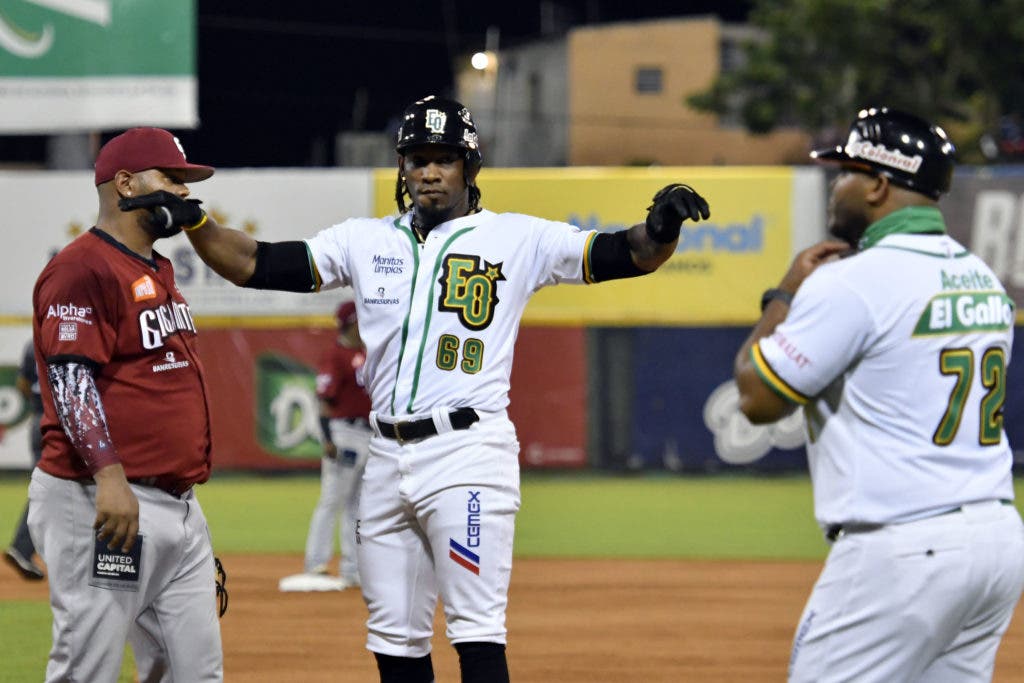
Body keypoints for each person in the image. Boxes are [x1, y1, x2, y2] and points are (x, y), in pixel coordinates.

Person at [121, 94, 710, 683]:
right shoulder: (365, 240)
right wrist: (197, 222)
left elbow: (627, 253)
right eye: (417, 158)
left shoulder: (517, 239)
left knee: (477, 632)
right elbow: (256, 263)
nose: (429, 171)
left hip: (468, 454)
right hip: (385, 457)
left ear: (469, 168)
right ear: (402, 168)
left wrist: (661, 225)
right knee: (394, 641)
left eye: (445, 158)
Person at [733, 107, 1024, 682]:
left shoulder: (853, 283)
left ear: (878, 184)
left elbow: (756, 398)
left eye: (844, 171)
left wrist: (782, 294)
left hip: (901, 552)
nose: (834, 184)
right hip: (996, 540)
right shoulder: (983, 278)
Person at [28, 127, 223, 681]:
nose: (184, 194)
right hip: (103, 499)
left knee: (194, 671)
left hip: (177, 505)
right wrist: (110, 478)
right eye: (173, 179)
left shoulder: (155, 266)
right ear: (125, 183)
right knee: (88, 666)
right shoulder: (81, 267)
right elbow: (70, 381)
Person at [279, 300, 372, 592]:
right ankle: (316, 563)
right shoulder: (336, 355)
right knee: (332, 500)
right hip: (344, 433)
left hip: (369, 434)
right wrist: (328, 438)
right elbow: (323, 400)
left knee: (358, 505)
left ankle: (353, 568)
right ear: (352, 322)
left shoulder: (365, 352)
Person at [4, 339, 45, 580]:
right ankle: (22, 547)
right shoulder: (78, 333)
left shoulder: (33, 343)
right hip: (58, 422)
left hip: (39, 419)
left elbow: (22, 384)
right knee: (47, 490)